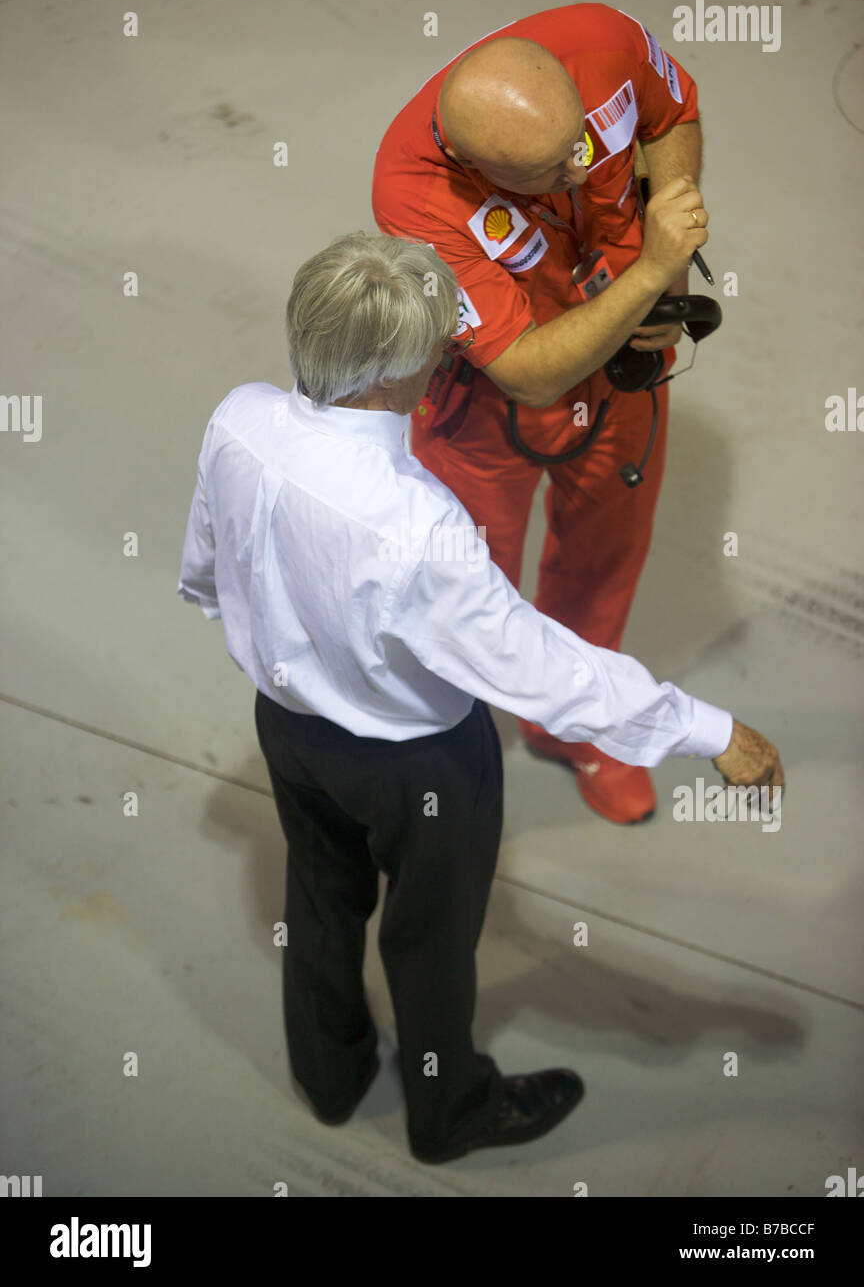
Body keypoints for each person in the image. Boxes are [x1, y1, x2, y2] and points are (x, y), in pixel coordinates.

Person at [177, 232, 784, 1165]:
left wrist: (272, 635)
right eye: (435, 347)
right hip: (418, 765)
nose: (447, 358)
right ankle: (448, 1112)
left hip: (288, 731)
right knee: (430, 943)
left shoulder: (240, 419)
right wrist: (704, 728)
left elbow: (211, 564)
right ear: (393, 374)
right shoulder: (420, 525)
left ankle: (330, 1076)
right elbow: (540, 667)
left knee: (319, 897)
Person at [372, 1, 712, 825]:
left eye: (581, 142)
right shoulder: (414, 195)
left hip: (625, 372)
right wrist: (653, 273)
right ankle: (438, 739)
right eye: (552, 169)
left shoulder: (603, 37)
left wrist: (668, 233)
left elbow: (672, 113)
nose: (583, 163)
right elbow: (524, 371)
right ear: (474, 165)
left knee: (604, 556)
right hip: (486, 406)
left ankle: (578, 726)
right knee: (461, 578)